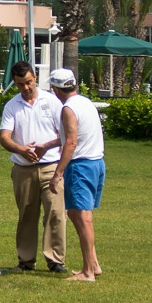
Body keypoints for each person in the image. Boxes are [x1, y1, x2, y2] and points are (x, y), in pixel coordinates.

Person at [0, 61, 67, 273]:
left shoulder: (52, 101)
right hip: (23, 169)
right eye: (20, 84)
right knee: (26, 215)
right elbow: (4, 137)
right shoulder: (12, 106)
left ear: (35, 77)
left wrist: (46, 147)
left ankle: (55, 260)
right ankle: (26, 260)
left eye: (28, 82)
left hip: (51, 166)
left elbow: (64, 135)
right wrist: (20, 149)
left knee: (55, 213)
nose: (26, 88)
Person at [48, 68, 105, 282]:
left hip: (81, 165)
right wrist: (47, 145)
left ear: (55, 89)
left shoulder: (68, 109)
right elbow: (75, 136)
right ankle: (94, 264)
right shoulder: (86, 103)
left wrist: (58, 173)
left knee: (83, 218)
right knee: (74, 213)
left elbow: (71, 143)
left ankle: (88, 272)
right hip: (96, 163)